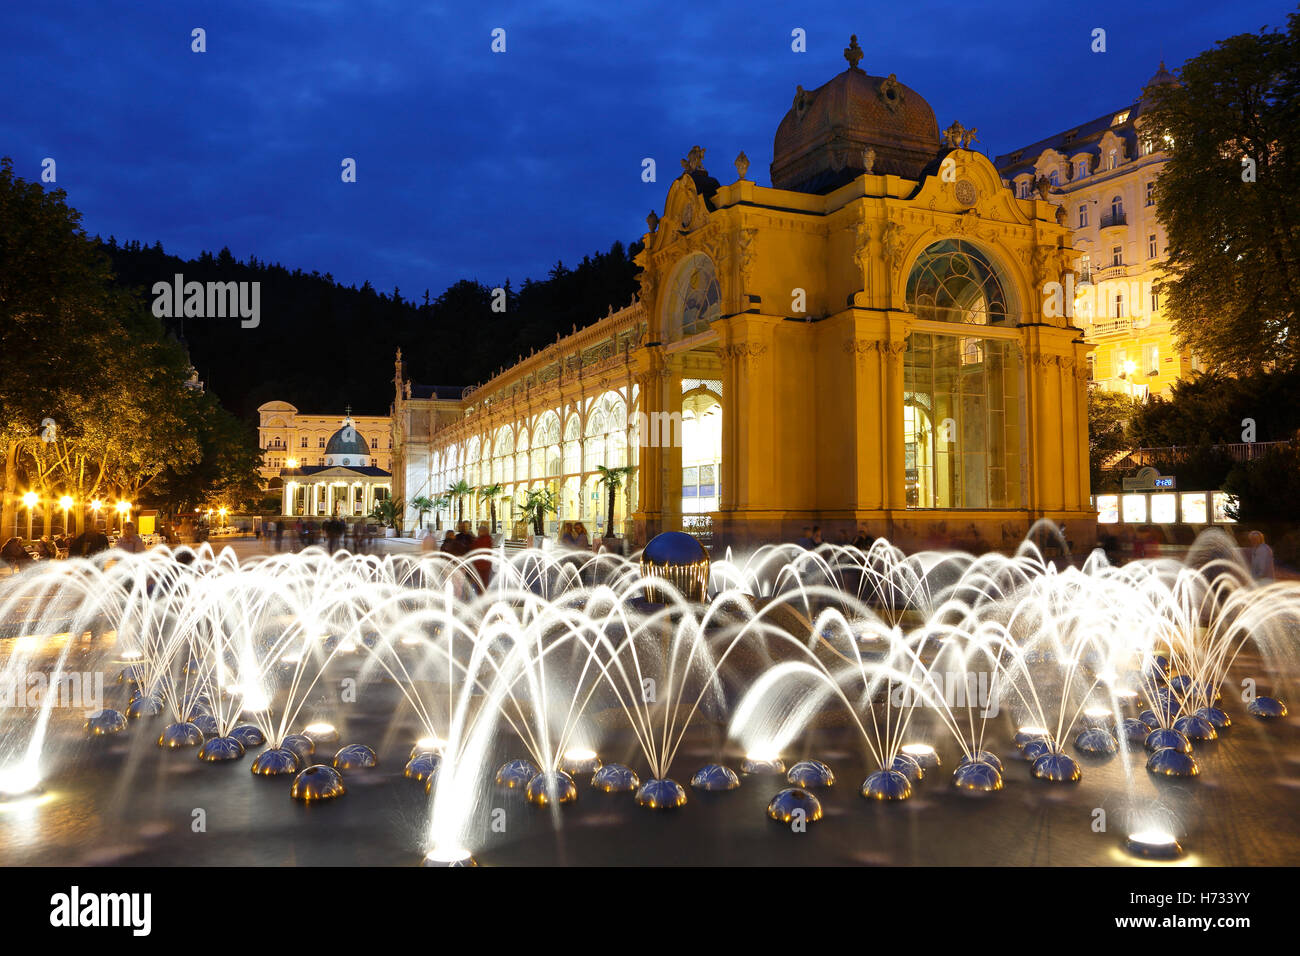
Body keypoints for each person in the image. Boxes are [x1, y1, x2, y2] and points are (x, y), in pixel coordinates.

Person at [471, 522, 494, 591]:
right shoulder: (489, 540)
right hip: (487, 565)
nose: (478, 532)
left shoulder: (479, 541)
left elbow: (473, 550)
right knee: (485, 582)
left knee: (480, 583)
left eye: (479, 531)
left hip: (479, 565)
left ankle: (480, 597)